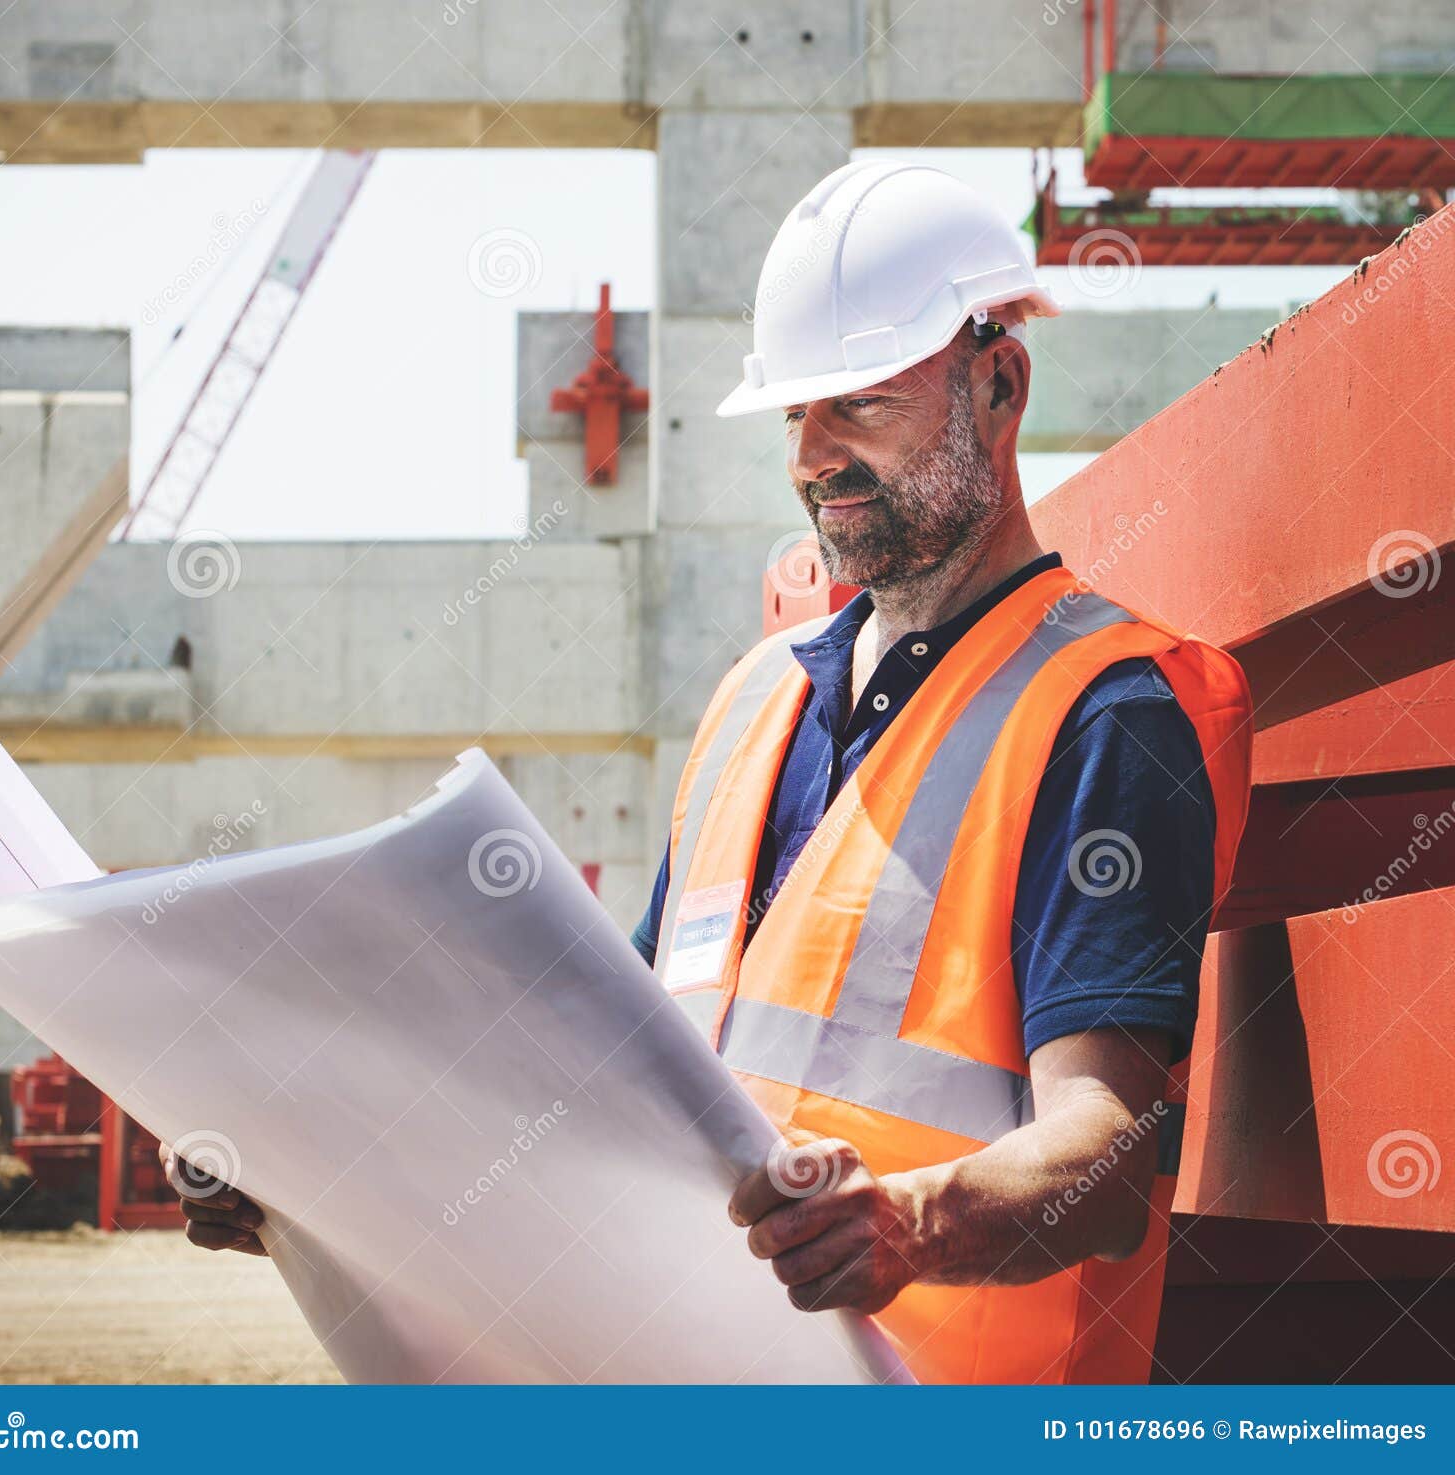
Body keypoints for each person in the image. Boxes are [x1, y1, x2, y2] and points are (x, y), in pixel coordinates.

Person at [166, 161, 1253, 1385]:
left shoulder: (1106, 713)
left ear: (997, 384)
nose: (814, 454)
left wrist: (901, 1224)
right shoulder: (755, 701)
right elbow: (596, 1087)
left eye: (859, 404)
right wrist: (315, 1176)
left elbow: (1104, 1163)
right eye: (794, 413)